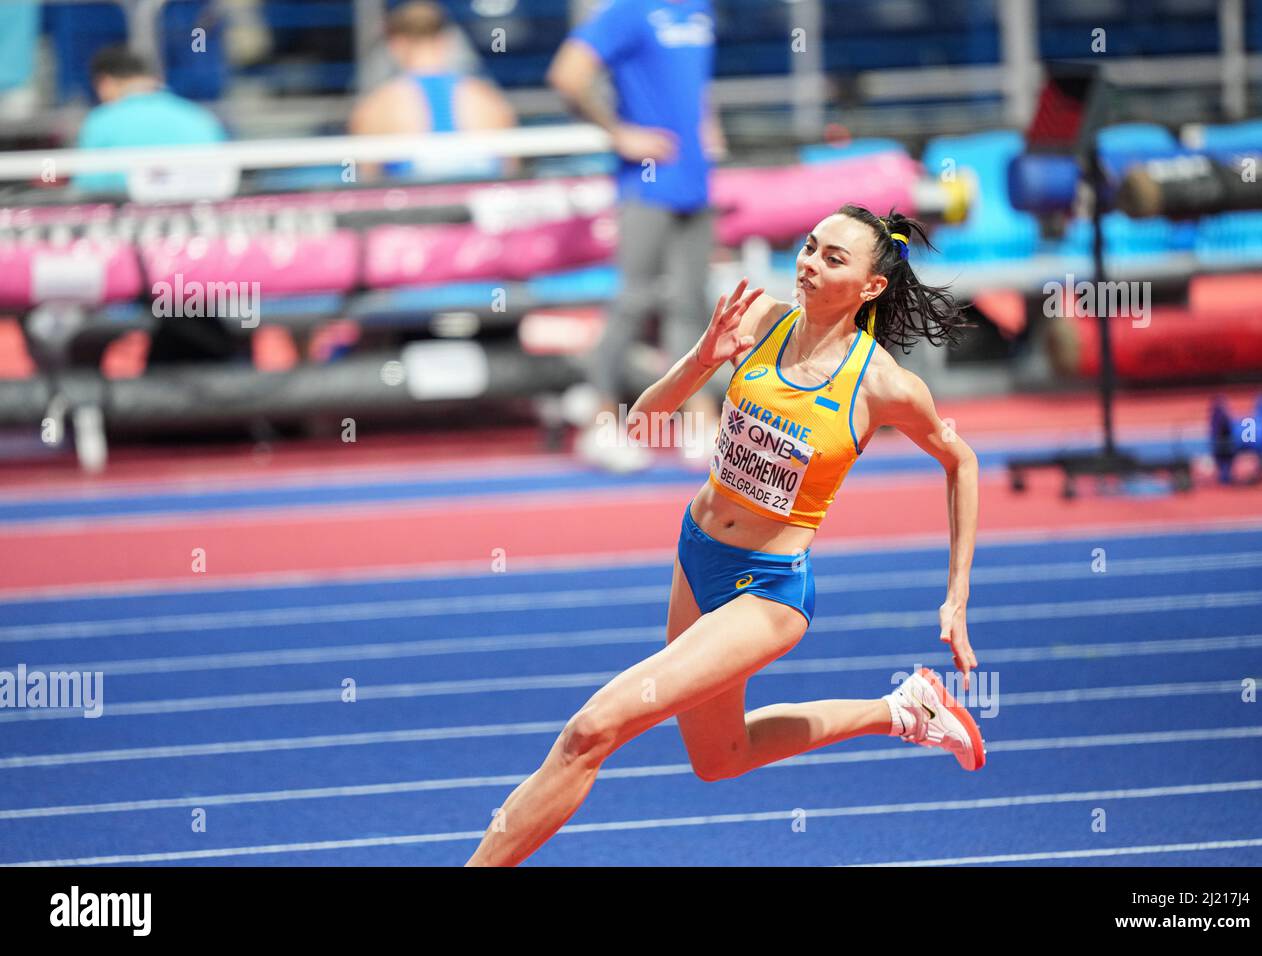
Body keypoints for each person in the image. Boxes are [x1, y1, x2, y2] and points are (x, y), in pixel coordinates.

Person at [465, 204, 982, 867]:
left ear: (872, 287)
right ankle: (901, 710)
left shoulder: (882, 384)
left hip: (767, 592)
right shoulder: (761, 319)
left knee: (591, 730)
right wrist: (701, 361)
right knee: (720, 758)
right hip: (697, 553)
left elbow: (959, 460)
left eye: (832, 258)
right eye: (808, 246)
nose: (809, 262)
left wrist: (956, 594)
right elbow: (642, 422)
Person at [547, 0, 728, 472]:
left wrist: (708, 131)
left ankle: (700, 423)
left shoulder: (700, 11)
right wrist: (619, 133)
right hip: (646, 183)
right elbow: (567, 74)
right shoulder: (628, 11)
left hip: (695, 178)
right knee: (632, 301)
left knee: (692, 304)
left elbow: (695, 88)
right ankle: (600, 424)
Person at [348, 0, 517, 182]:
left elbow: (364, 188)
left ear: (395, 44)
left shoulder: (377, 107)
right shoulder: (489, 101)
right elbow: (511, 177)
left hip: (412, 205)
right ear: (448, 41)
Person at [73, 46, 227, 195]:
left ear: (104, 83)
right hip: (205, 212)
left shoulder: (99, 122)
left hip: (127, 216)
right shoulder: (200, 117)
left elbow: (88, 187)